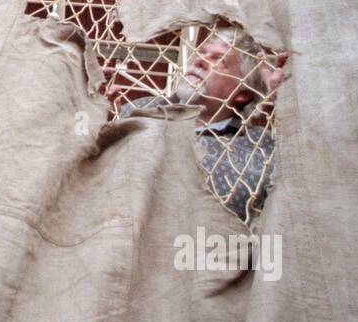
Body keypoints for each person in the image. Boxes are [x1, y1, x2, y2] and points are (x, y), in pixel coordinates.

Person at [119, 25, 288, 224]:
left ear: (243, 93)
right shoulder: (138, 108)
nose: (199, 61)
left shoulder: (258, 149)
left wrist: (278, 105)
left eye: (219, 60)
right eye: (202, 52)